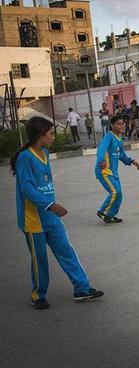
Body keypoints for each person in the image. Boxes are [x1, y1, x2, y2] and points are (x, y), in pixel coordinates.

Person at [10, 117, 104, 310]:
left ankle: (82, 288)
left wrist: (51, 207)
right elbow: (27, 189)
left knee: (66, 251)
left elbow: (45, 184)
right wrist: (50, 205)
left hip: (51, 217)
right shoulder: (25, 158)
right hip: (34, 219)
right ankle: (38, 294)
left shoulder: (44, 152)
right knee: (40, 259)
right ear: (39, 135)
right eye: (50, 133)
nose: (53, 136)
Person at [95, 115, 139, 223]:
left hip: (113, 172)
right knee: (115, 192)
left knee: (119, 195)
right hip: (104, 171)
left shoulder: (119, 139)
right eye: (118, 124)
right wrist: (101, 160)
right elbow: (101, 149)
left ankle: (110, 215)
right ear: (112, 125)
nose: (121, 126)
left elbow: (122, 155)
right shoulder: (109, 136)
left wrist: (132, 161)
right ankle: (102, 212)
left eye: (122, 123)